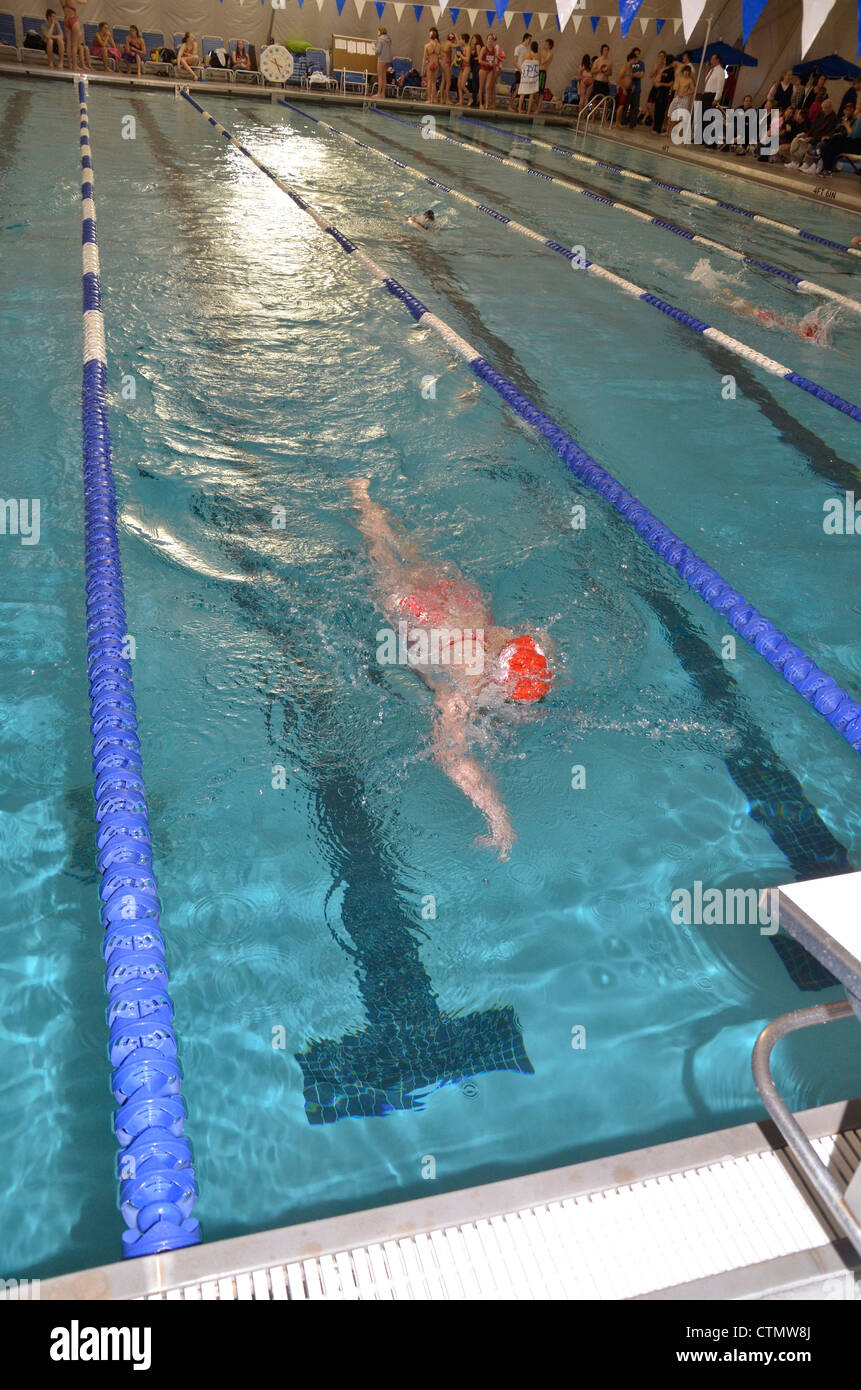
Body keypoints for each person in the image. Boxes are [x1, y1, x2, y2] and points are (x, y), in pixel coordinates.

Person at [348, 478, 553, 859]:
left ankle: (367, 499)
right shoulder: (457, 695)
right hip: (412, 607)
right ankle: (360, 500)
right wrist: (498, 819)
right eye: (520, 705)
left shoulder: (511, 648)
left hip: (460, 599)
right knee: (382, 558)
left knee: (412, 554)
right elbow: (453, 758)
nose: (523, 714)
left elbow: (538, 640)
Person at [61, 0, 90, 70]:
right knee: (75, 45)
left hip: (66, 19)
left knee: (68, 43)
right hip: (73, 19)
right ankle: (75, 65)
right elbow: (84, 2)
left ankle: (70, 64)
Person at [652, 52, 675, 135]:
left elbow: (671, 83)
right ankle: (655, 127)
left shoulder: (671, 71)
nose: (664, 61)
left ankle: (658, 128)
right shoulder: (663, 69)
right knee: (656, 110)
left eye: (665, 59)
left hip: (665, 93)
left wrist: (661, 84)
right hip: (659, 92)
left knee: (661, 111)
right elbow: (656, 81)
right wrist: (660, 72)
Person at [509, 29, 531, 110]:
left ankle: (518, 106)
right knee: (518, 89)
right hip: (519, 71)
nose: (530, 41)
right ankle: (510, 106)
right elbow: (514, 62)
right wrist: (520, 70)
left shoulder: (527, 50)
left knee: (522, 90)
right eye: (529, 39)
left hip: (524, 72)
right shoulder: (518, 48)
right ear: (525, 39)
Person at [518, 40, 540, 116]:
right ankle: (528, 111)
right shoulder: (538, 56)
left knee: (522, 93)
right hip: (533, 78)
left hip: (526, 77)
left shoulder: (526, 54)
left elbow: (523, 64)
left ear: (531, 47)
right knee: (531, 95)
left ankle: (519, 109)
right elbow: (538, 65)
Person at [644, 50, 665, 126]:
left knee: (657, 107)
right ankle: (654, 120)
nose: (660, 58)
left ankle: (657, 123)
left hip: (661, 88)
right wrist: (655, 68)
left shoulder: (666, 66)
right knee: (649, 105)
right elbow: (651, 75)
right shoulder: (656, 65)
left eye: (662, 56)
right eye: (659, 56)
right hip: (655, 87)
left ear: (664, 57)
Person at [375, 24, 392, 100]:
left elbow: (378, 51)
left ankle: (379, 93)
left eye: (378, 31)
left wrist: (373, 47)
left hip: (381, 59)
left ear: (380, 31)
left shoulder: (380, 39)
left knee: (380, 77)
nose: (377, 32)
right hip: (387, 60)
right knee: (384, 77)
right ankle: (383, 94)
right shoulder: (388, 39)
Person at [439, 31, 457, 103]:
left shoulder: (443, 44)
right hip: (446, 64)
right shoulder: (450, 44)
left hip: (442, 62)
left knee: (443, 81)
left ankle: (441, 99)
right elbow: (457, 46)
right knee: (448, 82)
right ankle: (447, 99)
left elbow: (440, 55)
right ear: (453, 39)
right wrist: (458, 37)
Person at [456, 32, 472, 106]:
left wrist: (460, 55)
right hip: (462, 67)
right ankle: (460, 101)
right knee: (459, 85)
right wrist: (456, 37)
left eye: (461, 39)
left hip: (467, 67)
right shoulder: (464, 47)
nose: (460, 41)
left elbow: (467, 59)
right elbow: (458, 44)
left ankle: (470, 98)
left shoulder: (468, 48)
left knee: (462, 85)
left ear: (464, 40)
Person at [538, 37, 554, 105]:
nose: (544, 45)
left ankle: (538, 107)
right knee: (535, 90)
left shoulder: (550, 53)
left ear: (549, 46)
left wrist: (541, 56)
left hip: (542, 73)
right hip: (538, 71)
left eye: (546, 44)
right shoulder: (542, 52)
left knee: (541, 90)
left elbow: (543, 62)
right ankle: (537, 104)